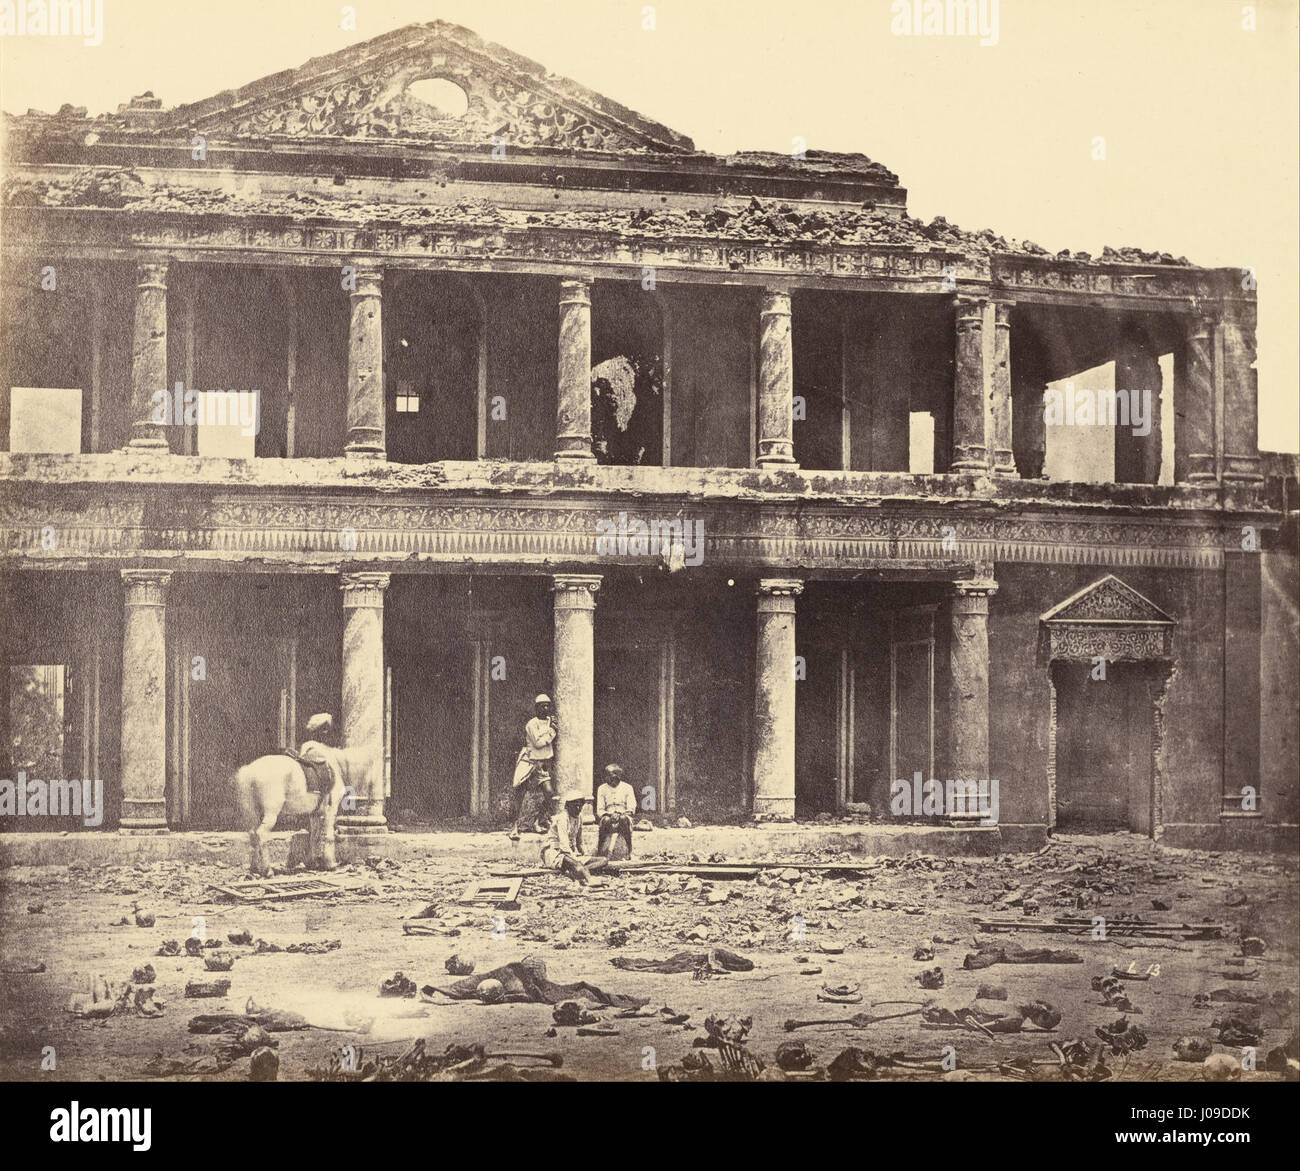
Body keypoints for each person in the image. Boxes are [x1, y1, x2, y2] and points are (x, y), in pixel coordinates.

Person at [510, 694, 557, 840]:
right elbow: (538, 743)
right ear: (536, 708)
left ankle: (538, 821)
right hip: (529, 763)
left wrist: (551, 730)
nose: (545, 708)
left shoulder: (551, 721)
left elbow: (546, 745)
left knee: (549, 793)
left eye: (547, 705)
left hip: (542, 764)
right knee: (519, 794)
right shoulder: (531, 724)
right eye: (542, 705)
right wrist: (552, 732)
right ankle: (514, 827)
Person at [540, 791, 591, 884]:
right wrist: (576, 858)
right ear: (568, 806)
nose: (578, 808)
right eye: (575, 806)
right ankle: (590, 880)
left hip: (571, 853)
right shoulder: (562, 818)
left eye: (580, 806)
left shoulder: (579, 818)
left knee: (603, 861)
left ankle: (579, 870)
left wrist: (586, 854)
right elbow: (564, 846)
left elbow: (580, 842)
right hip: (555, 853)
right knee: (578, 865)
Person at [595, 764, 637, 859]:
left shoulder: (627, 787)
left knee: (623, 819)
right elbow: (600, 809)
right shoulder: (601, 788)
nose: (608, 778)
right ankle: (600, 850)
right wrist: (610, 815)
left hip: (623, 815)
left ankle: (629, 850)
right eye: (606, 776)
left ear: (618, 776)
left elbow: (631, 808)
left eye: (611, 776)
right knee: (605, 821)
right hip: (608, 815)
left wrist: (620, 813)